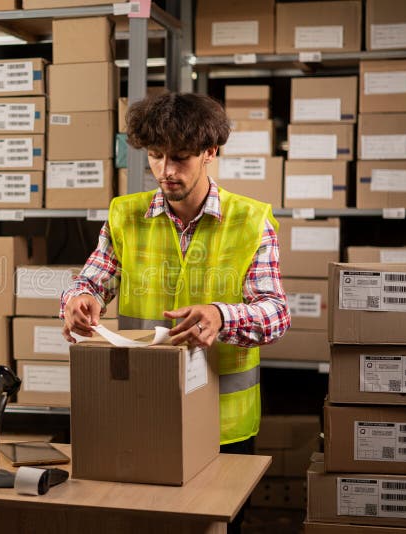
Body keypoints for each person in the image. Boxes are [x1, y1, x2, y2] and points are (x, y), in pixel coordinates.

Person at [60, 92, 290, 533]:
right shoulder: (125, 215)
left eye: (180, 157)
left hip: (222, 425)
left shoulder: (250, 221)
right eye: (155, 155)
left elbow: (276, 314)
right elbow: (92, 281)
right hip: (139, 410)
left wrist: (221, 316)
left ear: (210, 152)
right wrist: (79, 299)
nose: (166, 170)